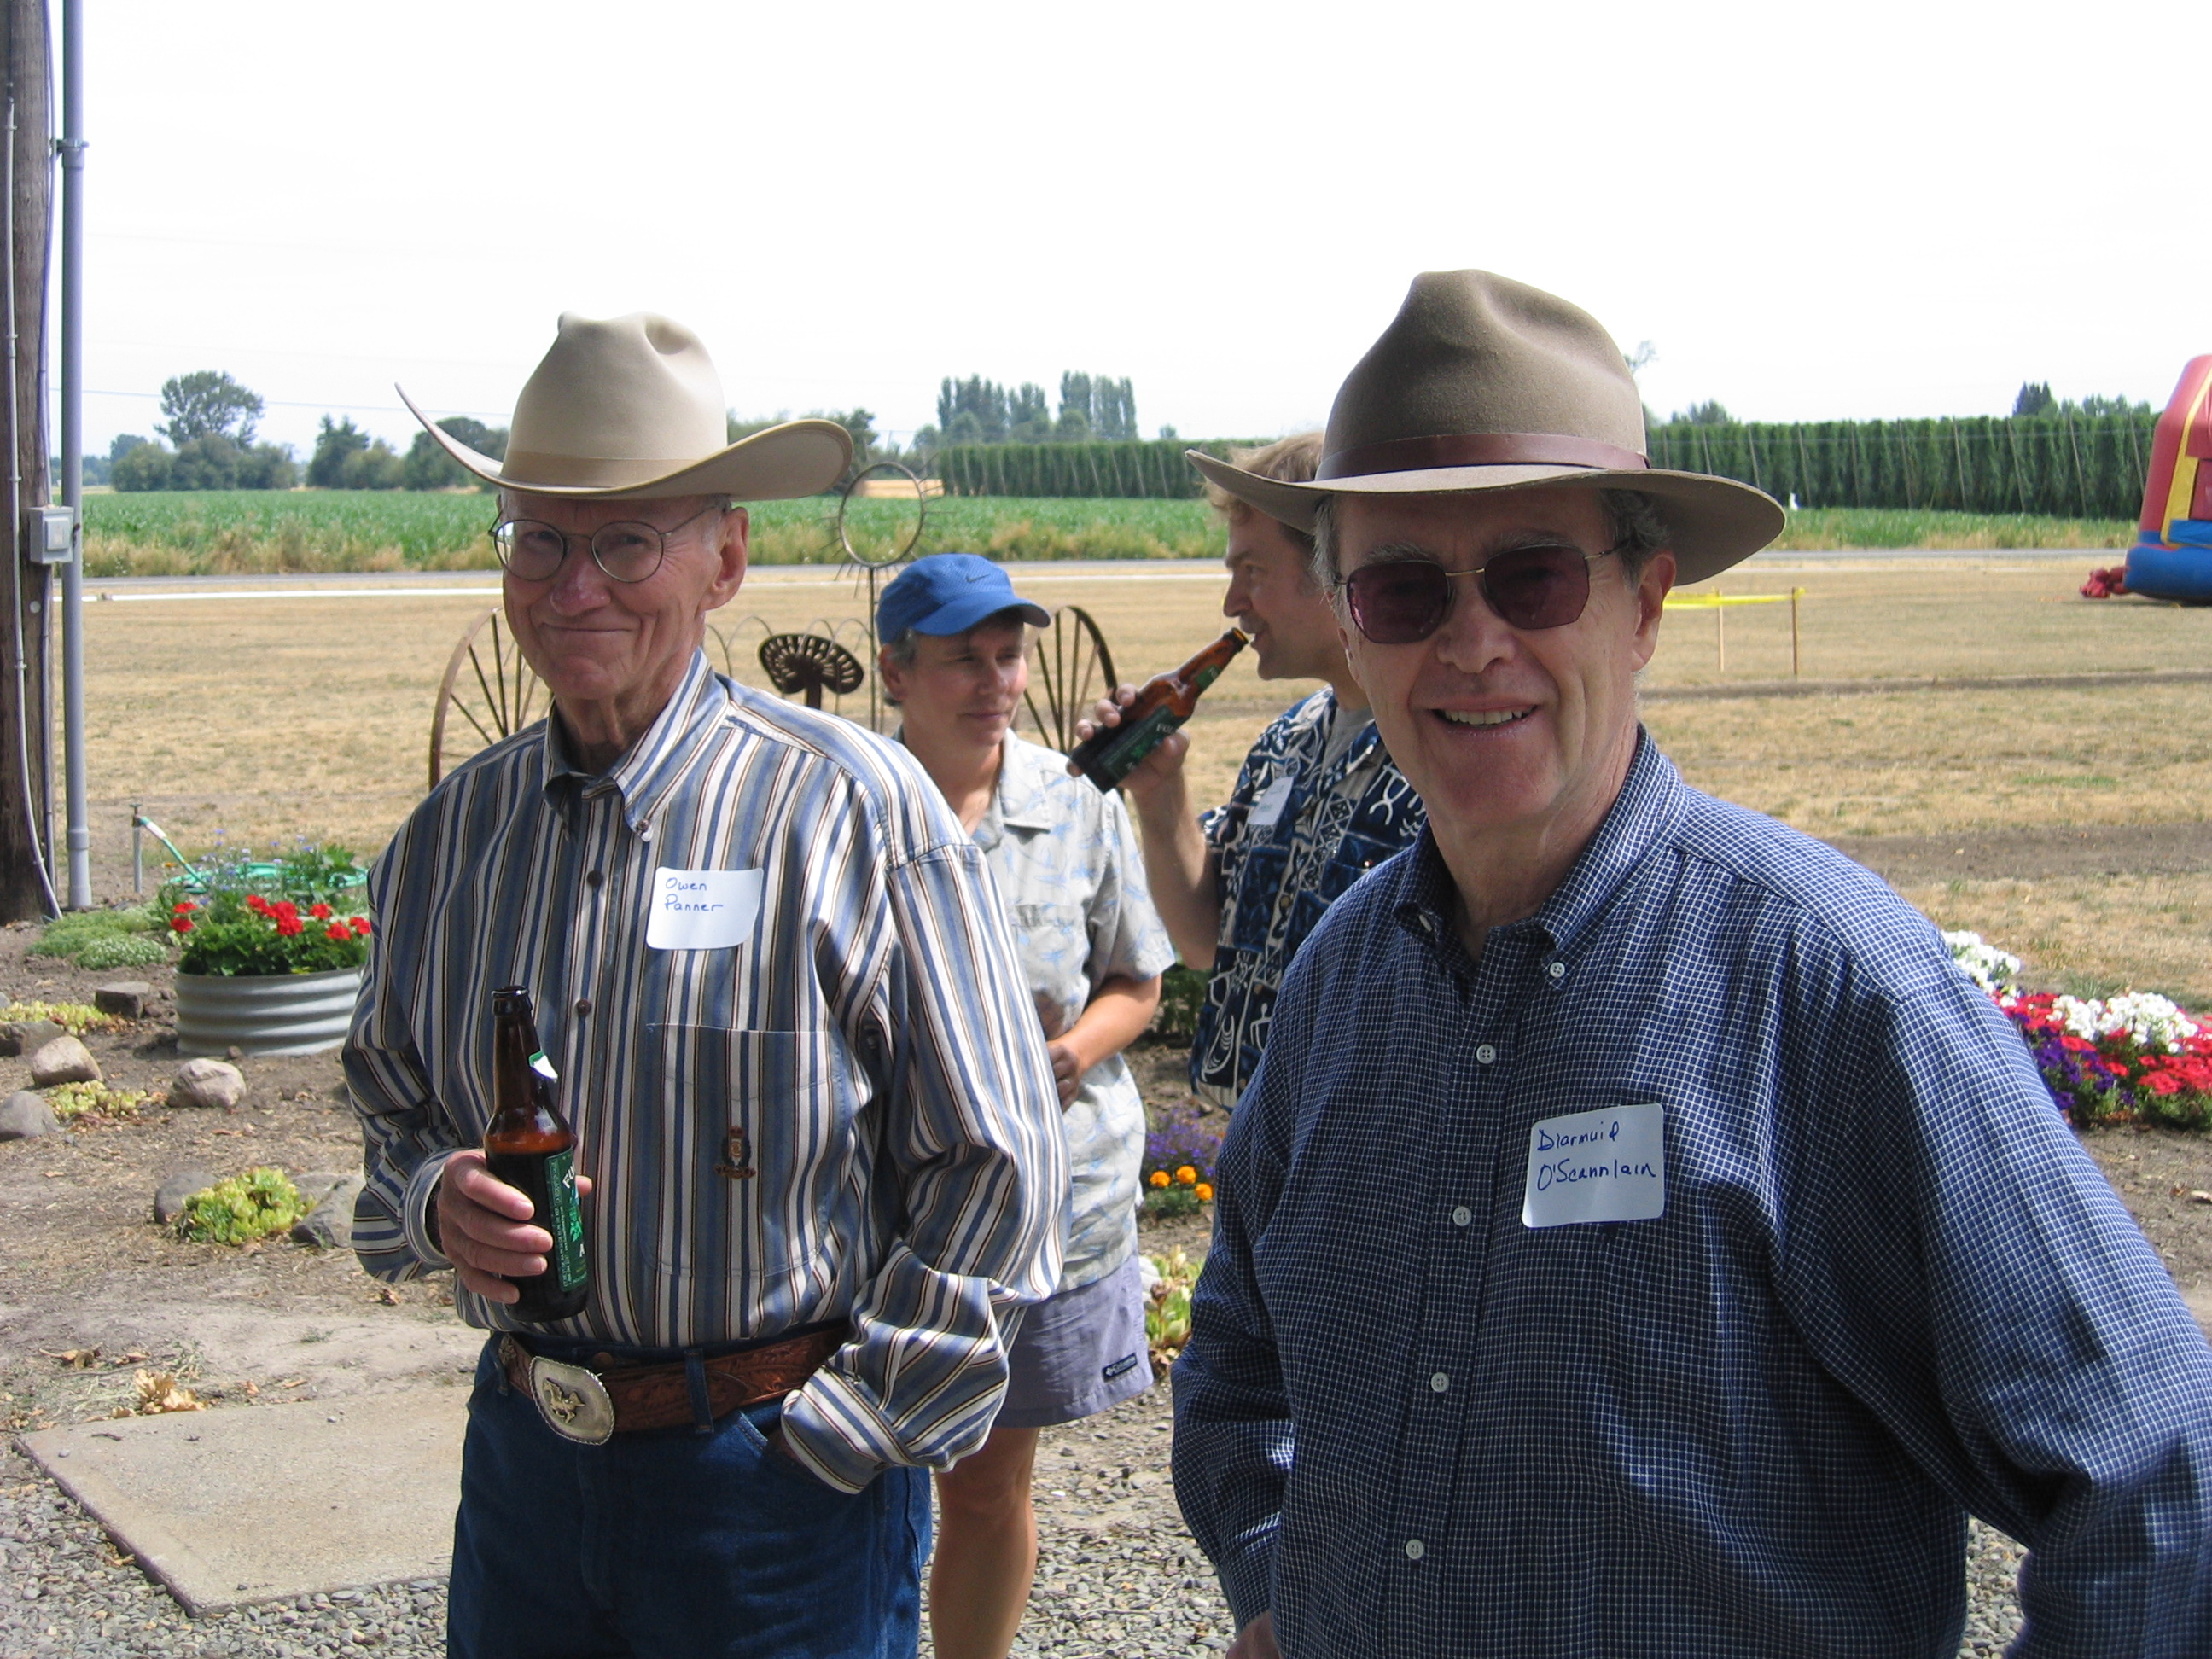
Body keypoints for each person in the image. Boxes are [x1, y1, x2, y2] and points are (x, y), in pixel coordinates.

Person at [1171, 271, 2212, 1657]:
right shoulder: (1338, 984)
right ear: (1351, 628)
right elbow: (1238, 1372)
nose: (1473, 641)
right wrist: (1279, 1582)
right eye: (1405, 587)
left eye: (1531, 574)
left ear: (1643, 602)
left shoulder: (1831, 987)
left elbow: (2153, 1483)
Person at [346, 313, 1067, 1659]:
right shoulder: (450, 842)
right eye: (541, 538)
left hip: (773, 1499)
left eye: (627, 541)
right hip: (526, 1469)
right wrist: (432, 1195)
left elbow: (996, 1161)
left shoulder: (846, 811)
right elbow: (386, 1101)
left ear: (724, 558)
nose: (576, 587)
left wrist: (856, 1427)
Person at [872, 554, 1176, 1659]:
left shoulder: (1074, 801)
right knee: (862, 1471)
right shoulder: (852, 807)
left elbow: (1139, 984)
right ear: (895, 669)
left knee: (990, 1486)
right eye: (962, 658)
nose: (993, 680)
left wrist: (1063, 1055)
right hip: (883, 1209)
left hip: (1045, 1201)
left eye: (1008, 654)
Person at [1077, 434, 1425, 1105]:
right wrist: (1160, 796)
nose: (1233, 603)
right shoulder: (1286, 741)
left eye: (1253, 572)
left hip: (1358, 1156)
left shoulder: (1435, 754)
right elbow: (1203, 939)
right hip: (1260, 1150)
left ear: (1333, 573)